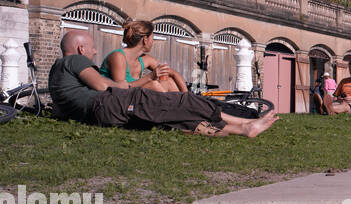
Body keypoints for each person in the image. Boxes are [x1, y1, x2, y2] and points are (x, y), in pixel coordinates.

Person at [49, 30, 277, 137]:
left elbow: (61, 107)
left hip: (103, 113)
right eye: (91, 47)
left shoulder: (56, 72)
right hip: (111, 104)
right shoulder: (74, 60)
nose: (95, 51)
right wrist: (136, 84)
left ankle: (240, 128)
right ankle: (245, 123)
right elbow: (102, 86)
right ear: (80, 49)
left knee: (171, 114)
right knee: (181, 101)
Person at [100, 20, 188, 93]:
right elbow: (121, 90)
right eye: (152, 38)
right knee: (153, 85)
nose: (153, 42)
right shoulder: (118, 57)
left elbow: (173, 73)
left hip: (133, 100)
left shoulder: (145, 59)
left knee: (168, 81)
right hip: (112, 101)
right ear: (145, 40)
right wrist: (150, 76)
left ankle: (186, 107)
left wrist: (188, 97)